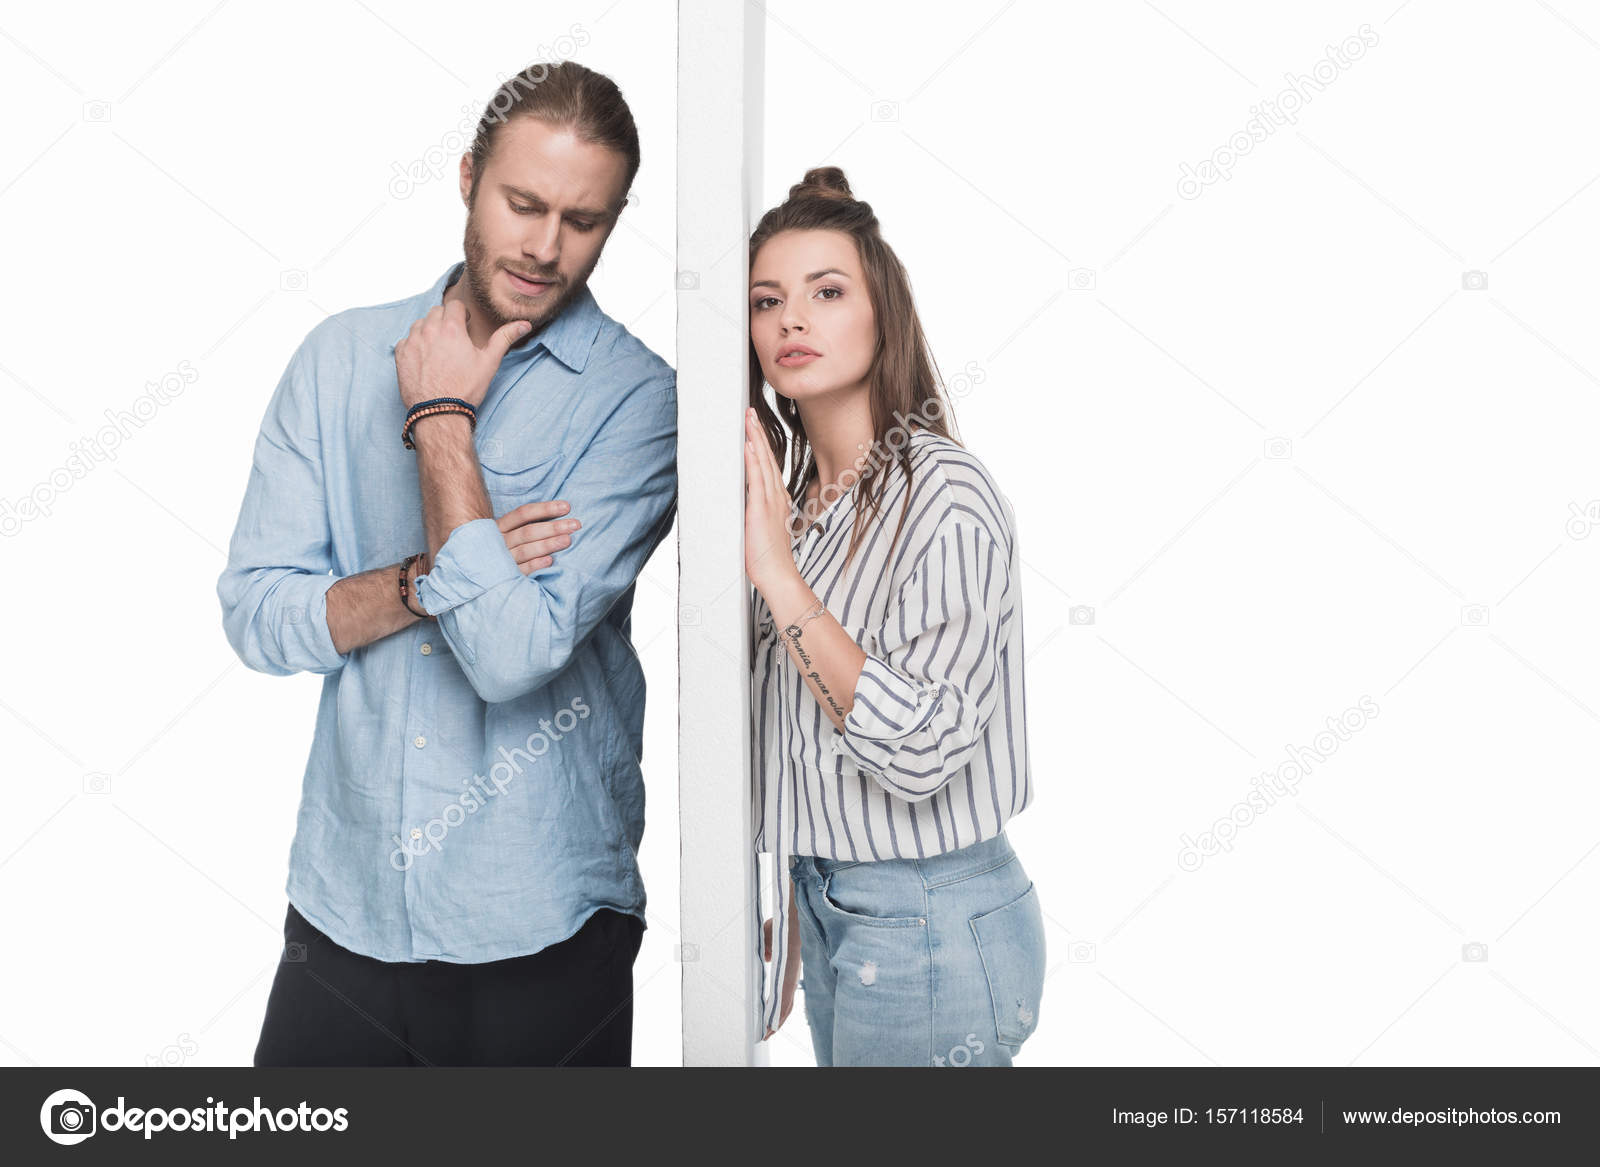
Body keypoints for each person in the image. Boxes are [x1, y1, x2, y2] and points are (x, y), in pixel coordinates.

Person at [216, 61, 676, 1066]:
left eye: (585, 219)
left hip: (543, 921)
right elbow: (256, 614)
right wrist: (429, 580)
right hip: (345, 908)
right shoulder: (338, 359)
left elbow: (513, 656)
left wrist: (441, 421)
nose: (548, 248)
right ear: (467, 175)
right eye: (523, 204)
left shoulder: (639, 403)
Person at [743, 166, 1044, 1066]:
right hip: (843, 906)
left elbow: (921, 749)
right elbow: (796, 731)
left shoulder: (942, 497)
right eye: (767, 301)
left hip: (929, 915)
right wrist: (801, 900)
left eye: (826, 292)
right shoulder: (797, 500)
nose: (792, 320)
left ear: (884, 315)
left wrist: (778, 577)